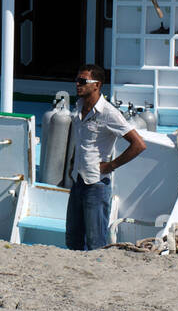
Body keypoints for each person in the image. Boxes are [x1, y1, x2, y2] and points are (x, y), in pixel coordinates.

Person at [63, 63, 147, 251]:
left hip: (96, 184)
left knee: (96, 242)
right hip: (78, 180)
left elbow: (139, 144)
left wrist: (111, 166)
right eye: (77, 80)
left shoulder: (109, 113)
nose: (77, 84)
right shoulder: (78, 107)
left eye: (82, 81)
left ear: (97, 85)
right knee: (73, 239)